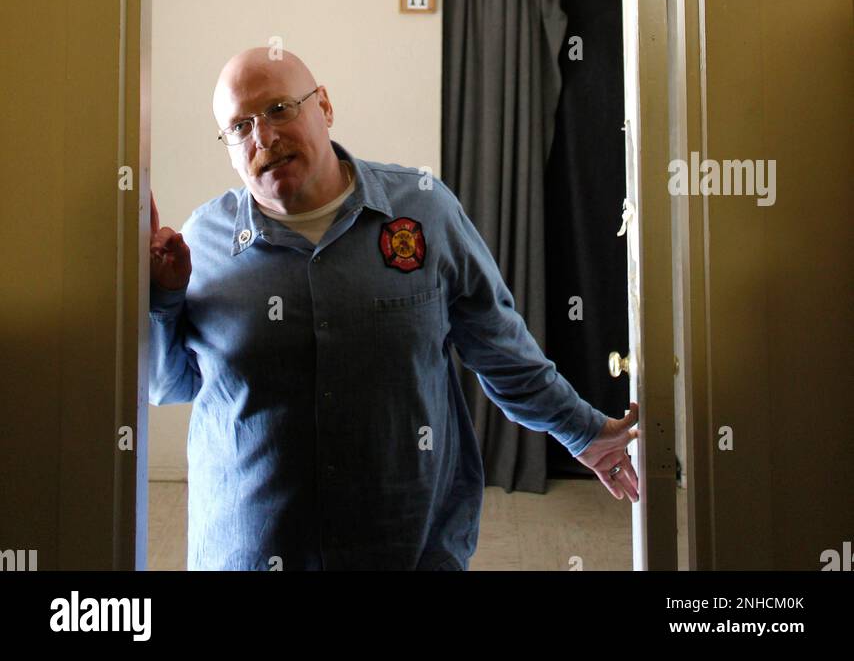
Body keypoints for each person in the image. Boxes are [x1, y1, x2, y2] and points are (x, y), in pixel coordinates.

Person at [149, 46, 639, 571]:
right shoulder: (204, 240)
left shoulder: (424, 210)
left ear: (325, 106)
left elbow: (500, 349)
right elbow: (168, 384)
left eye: (279, 109)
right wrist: (164, 299)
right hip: (249, 548)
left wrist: (582, 431)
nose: (263, 138)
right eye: (240, 126)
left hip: (406, 547)